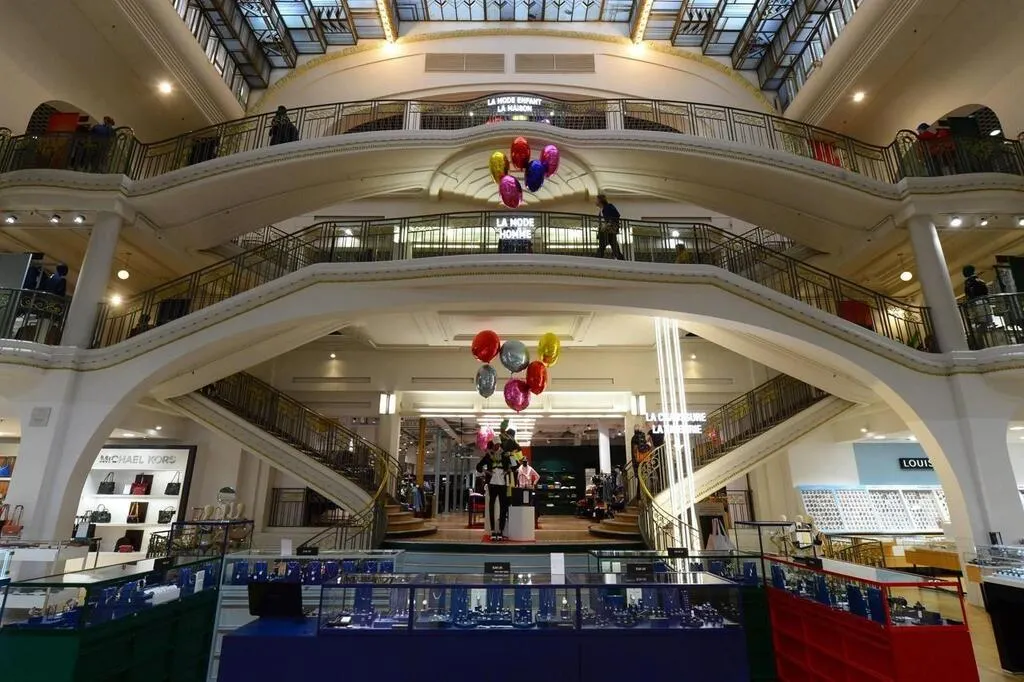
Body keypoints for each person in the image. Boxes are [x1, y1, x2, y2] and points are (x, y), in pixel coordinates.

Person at [475, 441, 518, 541]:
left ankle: (501, 530)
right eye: (494, 445)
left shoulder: (505, 455)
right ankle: (493, 530)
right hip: (492, 484)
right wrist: (486, 471)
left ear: (499, 445)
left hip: (503, 484)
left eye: (497, 445)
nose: (496, 447)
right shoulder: (488, 455)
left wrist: (508, 469)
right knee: (491, 507)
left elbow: (516, 466)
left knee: (503, 507)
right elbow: (478, 466)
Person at [595, 194, 625, 260]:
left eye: (596, 200)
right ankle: (621, 259)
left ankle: (598, 259)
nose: (595, 201)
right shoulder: (601, 210)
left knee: (603, 246)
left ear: (600, 200)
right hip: (606, 230)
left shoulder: (609, 207)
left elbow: (616, 215)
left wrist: (609, 223)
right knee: (613, 246)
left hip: (608, 230)